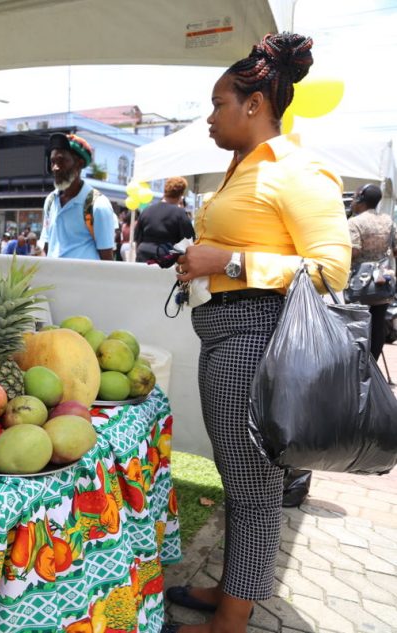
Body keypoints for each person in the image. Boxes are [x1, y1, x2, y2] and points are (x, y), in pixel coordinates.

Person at [164, 33, 351, 633]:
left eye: (218, 103)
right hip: (227, 330)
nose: (210, 117)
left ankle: (233, 619)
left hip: (259, 335)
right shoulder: (241, 169)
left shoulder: (297, 169)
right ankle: (231, 590)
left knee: (252, 483)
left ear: (254, 104)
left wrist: (229, 262)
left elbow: (332, 269)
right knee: (241, 473)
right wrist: (207, 259)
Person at [38, 133, 116, 260]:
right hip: (53, 278)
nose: (55, 168)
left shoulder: (97, 205)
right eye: (53, 162)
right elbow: (47, 246)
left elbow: (107, 259)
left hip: (83, 279)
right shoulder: (51, 201)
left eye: (62, 161)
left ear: (79, 164)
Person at [347, 183, 395, 360]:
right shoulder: (388, 221)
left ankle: (355, 366)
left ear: (361, 198)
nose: (352, 201)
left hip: (359, 283)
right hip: (382, 281)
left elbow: (354, 251)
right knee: (378, 323)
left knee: (356, 322)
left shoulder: (354, 222)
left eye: (354, 198)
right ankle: (372, 365)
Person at [134, 176, 196, 263]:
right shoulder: (180, 213)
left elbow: (137, 238)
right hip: (165, 261)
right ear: (181, 194)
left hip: (143, 258)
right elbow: (189, 242)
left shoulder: (147, 210)